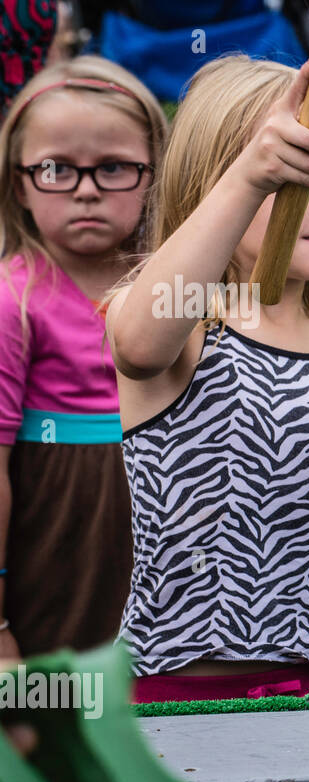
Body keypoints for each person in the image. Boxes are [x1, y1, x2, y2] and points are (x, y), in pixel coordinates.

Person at [105, 54, 309, 702]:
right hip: (163, 697)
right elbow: (137, 346)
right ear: (219, 186)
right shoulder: (186, 326)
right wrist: (254, 171)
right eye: (294, 180)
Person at [0, 56, 167, 660]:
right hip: (57, 541)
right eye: (55, 169)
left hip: (167, 549)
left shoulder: (177, 288)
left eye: (115, 167)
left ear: (154, 174)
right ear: (19, 181)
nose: (88, 189)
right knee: (59, 711)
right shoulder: (12, 300)